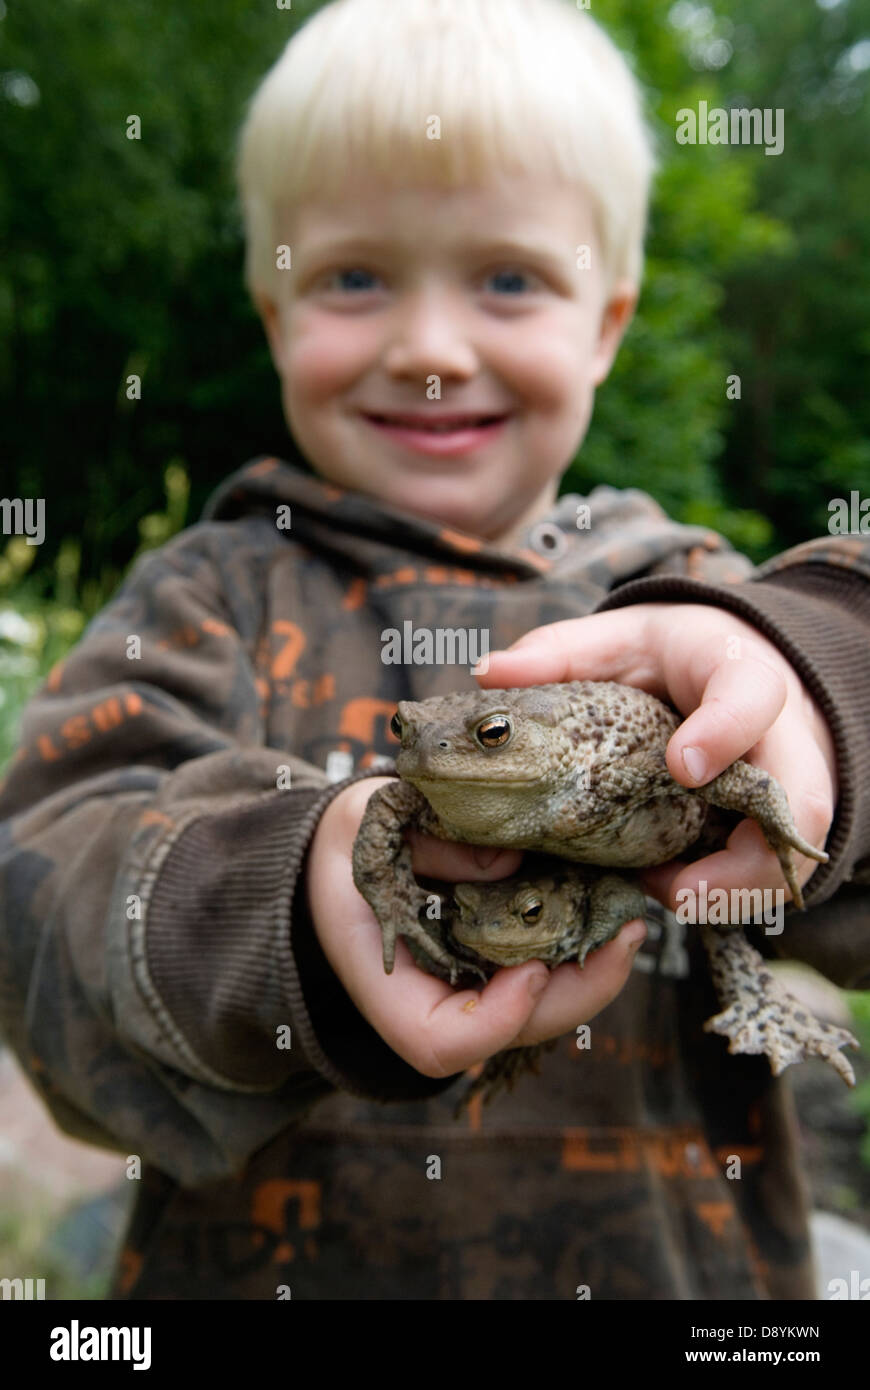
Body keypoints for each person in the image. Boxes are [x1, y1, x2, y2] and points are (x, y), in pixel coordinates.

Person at [1, 0, 869, 1301]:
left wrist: (820, 672)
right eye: (354, 276)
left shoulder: (695, 606)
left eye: (508, 277)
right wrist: (286, 903)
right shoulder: (207, 594)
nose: (426, 349)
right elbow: (38, 916)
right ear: (271, 309)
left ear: (608, 322)